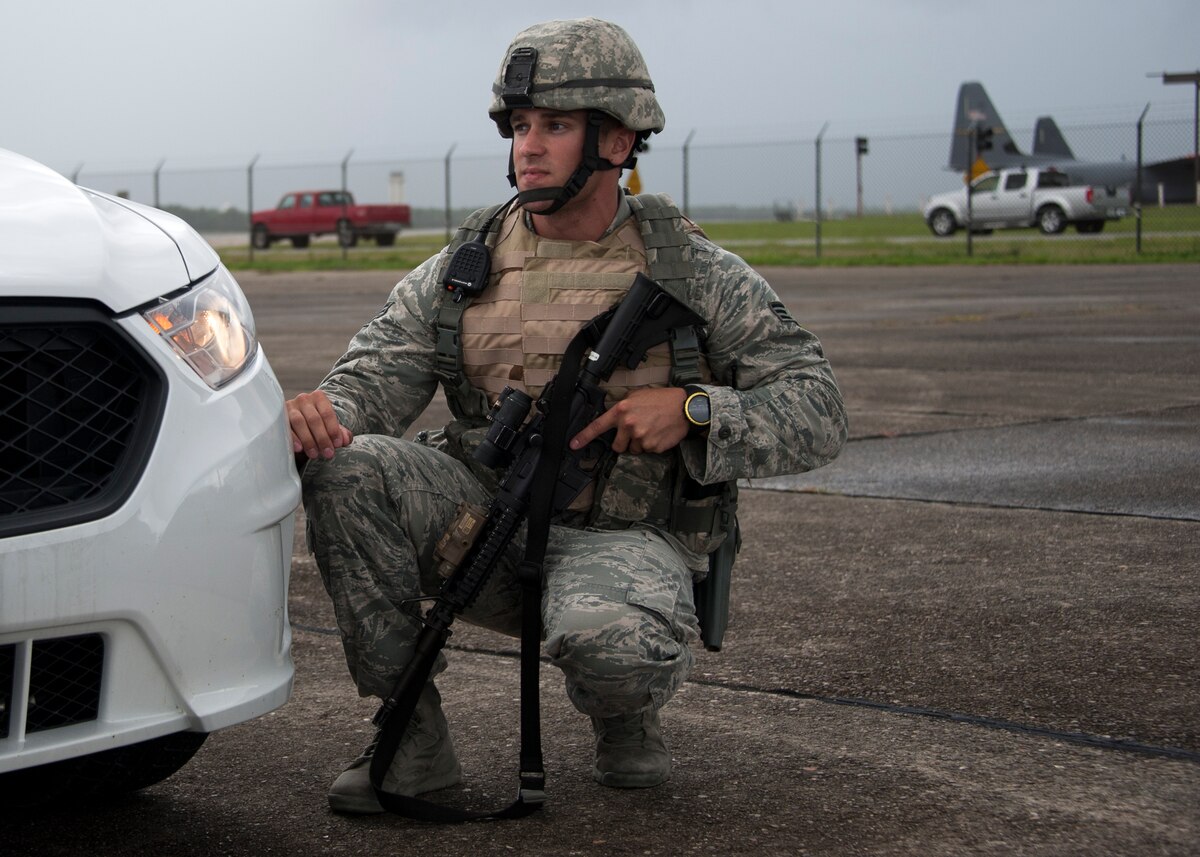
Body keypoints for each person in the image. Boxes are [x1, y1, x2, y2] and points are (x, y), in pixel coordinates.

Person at [288, 17, 847, 815]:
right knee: (344, 469)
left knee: (610, 647)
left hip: (621, 537)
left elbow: (820, 406)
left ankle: (627, 712)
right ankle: (410, 739)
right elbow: (369, 382)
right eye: (520, 126)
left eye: (554, 125)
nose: (529, 146)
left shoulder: (693, 272)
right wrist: (320, 414)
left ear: (617, 142)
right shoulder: (464, 267)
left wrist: (692, 409)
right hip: (492, 521)